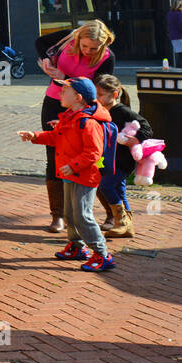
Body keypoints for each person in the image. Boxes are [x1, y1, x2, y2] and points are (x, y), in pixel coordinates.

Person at [17, 77, 115, 272]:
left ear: (78, 97)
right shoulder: (70, 116)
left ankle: (102, 254)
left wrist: (74, 165)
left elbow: (93, 152)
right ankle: (77, 246)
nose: (60, 93)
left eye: (65, 91)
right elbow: (55, 137)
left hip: (84, 176)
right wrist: (35, 136)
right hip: (69, 173)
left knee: (82, 215)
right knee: (70, 214)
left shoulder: (87, 123)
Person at [34, 20, 116, 232]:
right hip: (55, 102)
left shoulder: (107, 58)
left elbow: (96, 88)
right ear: (78, 39)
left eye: (94, 48)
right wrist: (46, 61)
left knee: (91, 158)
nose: (88, 51)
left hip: (84, 111)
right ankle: (57, 216)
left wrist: (66, 78)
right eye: (85, 46)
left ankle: (112, 212)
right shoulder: (68, 38)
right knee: (53, 155)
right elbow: (40, 42)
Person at [93, 74, 147, 239]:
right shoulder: (99, 110)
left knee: (106, 185)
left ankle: (121, 221)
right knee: (119, 189)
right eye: (95, 94)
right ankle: (126, 227)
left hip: (122, 160)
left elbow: (145, 127)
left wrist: (135, 139)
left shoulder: (123, 112)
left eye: (100, 95)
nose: (97, 98)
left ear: (115, 94)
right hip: (106, 158)